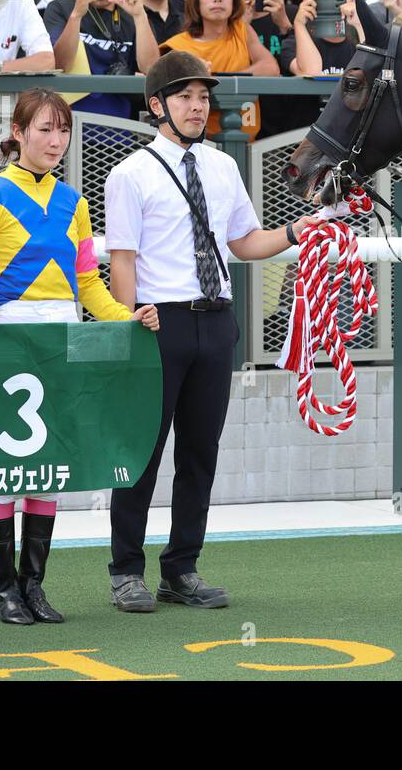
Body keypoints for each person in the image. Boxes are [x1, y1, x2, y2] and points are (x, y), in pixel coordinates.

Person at [103, 51, 316, 612]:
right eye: (184, 97)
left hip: (216, 318)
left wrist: (299, 229)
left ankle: (182, 567)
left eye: (203, 97)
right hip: (157, 321)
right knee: (142, 453)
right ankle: (126, 570)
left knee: (201, 452)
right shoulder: (129, 173)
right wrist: (128, 324)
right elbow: (121, 259)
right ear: (156, 106)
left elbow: (244, 243)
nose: (198, 107)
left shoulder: (222, 166)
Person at [0, 88, 158, 625]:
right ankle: (5, 592)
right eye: (44, 128)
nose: (55, 140)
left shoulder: (75, 203)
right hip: (8, 344)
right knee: (3, 472)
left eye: (62, 130)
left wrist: (125, 317)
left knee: (47, 471)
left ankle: (34, 587)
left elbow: (88, 283)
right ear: (18, 132)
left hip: (63, 343)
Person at [45, 0, 159, 119]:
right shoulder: (60, 9)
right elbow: (59, 65)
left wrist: (140, 17)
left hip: (121, 131)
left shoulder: (133, 15)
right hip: (69, 126)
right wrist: (77, 15)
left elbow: (151, 69)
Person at [160, 0, 277, 139]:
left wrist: (224, 81)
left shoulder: (242, 30)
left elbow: (270, 68)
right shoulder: (177, 46)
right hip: (199, 144)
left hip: (249, 144)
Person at [282, 0, 363, 76]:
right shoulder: (293, 44)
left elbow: (372, 70)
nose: (334, 7)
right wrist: (299, 23)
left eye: (340, 1)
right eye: (327, 1)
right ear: (314, 1)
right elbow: (312, 72)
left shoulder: (359, 42)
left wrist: (358, 22)